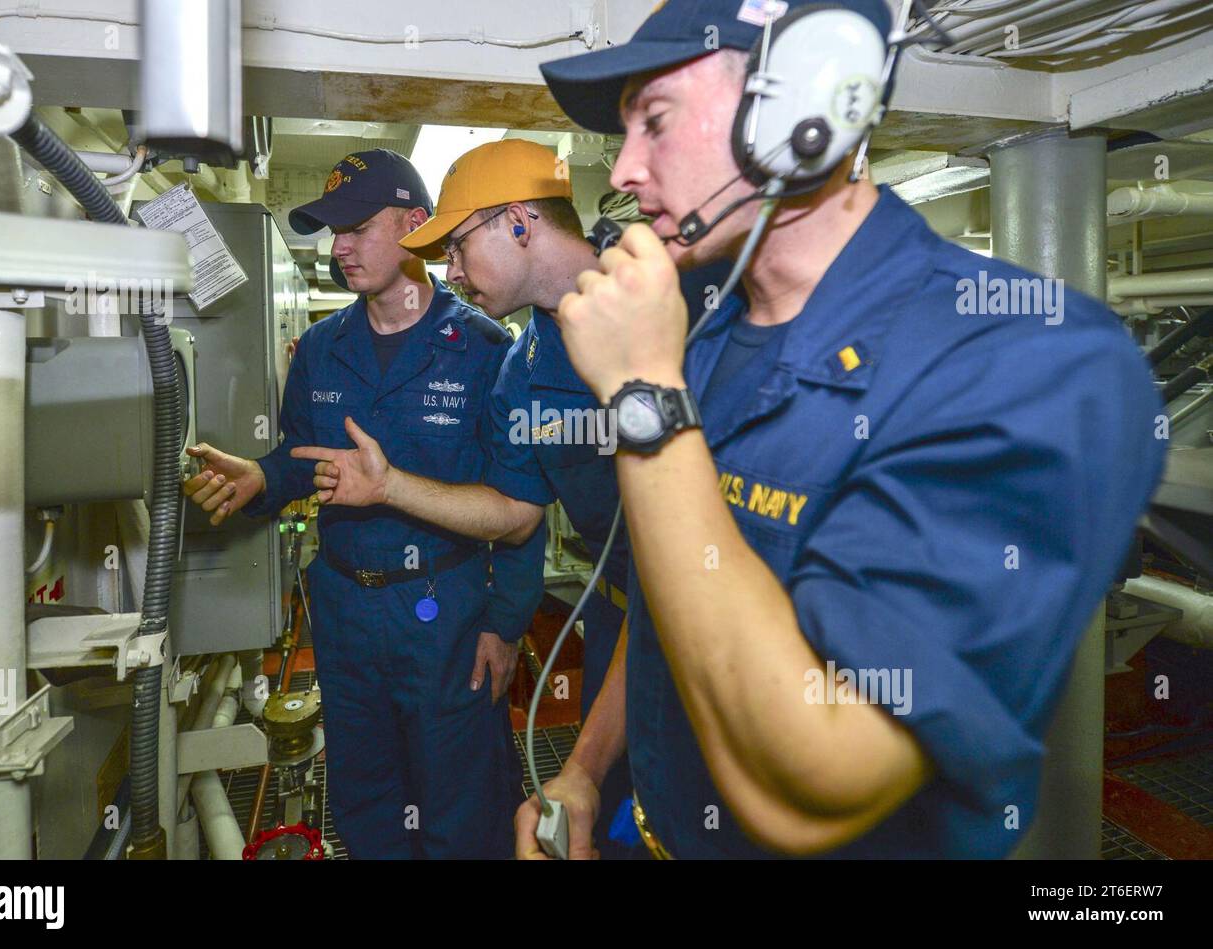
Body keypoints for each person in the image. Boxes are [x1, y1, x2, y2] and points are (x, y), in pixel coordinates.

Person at [500, 0, 1166, 858]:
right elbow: (671, 593)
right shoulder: (701, 347)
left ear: (805, 113)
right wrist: (588, 767)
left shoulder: (1032, 364)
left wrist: (641, 392)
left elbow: (816, 783)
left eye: (654, 120)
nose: (623, 169)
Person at [182, 148, 541, 858]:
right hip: (345, 612)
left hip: (449, 613)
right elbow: (303, 460)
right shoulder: (319, 348)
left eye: (357, 227)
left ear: (414, 225)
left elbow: (523, 504)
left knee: (461, 805)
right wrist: (259, 476)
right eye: (330, 230)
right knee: (367, 800)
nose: (339, 247)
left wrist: (506, 623)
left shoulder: (483, 348)